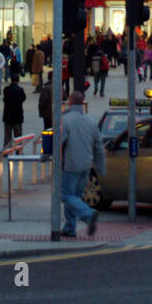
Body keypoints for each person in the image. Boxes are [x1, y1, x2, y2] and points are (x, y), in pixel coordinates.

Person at [58, 90, 105, 237]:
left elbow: (58, 142)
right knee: (75, 197)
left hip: (70, 165)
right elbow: (99, 145)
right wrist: (100, 166)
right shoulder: (90, 121)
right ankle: (70, 228)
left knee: (65, 195)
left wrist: (45, 155)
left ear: (70, 102)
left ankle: (88, 214)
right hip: (86, 165)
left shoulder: (65, 120)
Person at [2, 75, 27, 146]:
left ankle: (6, 150)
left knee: (7, 136)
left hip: (8, 115)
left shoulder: (6, 89)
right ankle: (18, 151)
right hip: (17, 115)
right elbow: (23, 99)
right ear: (18, 81)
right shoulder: (20, 90)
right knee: (18, 135)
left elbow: (4, 100)